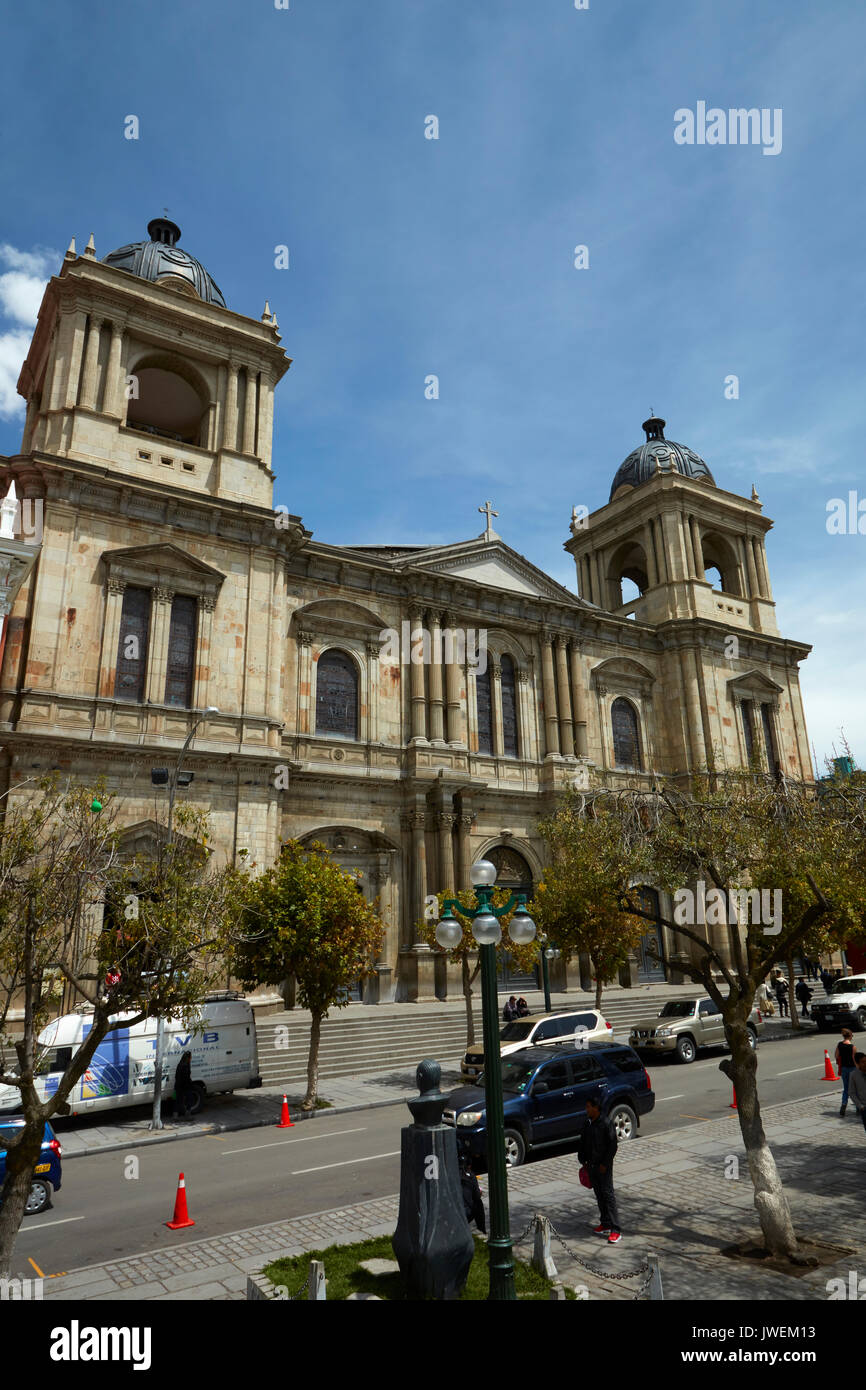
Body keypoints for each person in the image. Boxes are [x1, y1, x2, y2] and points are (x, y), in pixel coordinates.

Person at [577, 1092, 621, 1244]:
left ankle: (616, 1229)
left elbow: (612, 1146)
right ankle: (605, 1222)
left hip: (603, 1166)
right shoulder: (587, 1123)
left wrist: (604, 1164)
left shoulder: (605, 1123)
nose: (587, 1110)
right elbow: (582, 1143)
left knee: (608, 1195)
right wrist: (583, 1160)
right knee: (599, 1195)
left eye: (589, 1107)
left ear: (596, 1108)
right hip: (591, 1165)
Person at [459, 1153, 486, 1234]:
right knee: (479, 1203)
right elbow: (477, 1195)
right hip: (465, 1213)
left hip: (452, 1211)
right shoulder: (470, 1176)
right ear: (469, 1166)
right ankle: (482, 1229)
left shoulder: (451, 1174)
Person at [836, 1029, 857, 1117]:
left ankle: (843, 1105)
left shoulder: (839, 1045)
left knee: (846, 1088)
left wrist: (839, 1062)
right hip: (852, 1069)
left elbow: (836, 1055)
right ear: (850, 1036)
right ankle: (858, 1108)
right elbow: (854, 1059)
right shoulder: (853, 1047)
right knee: (855, 1089)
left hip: (844, 1068)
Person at [849, 1053, 866, 1135]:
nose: (865, 1063)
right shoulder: (854, 1075)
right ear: (858, 1063)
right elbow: (851, 1092)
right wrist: (860, 1106)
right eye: (863, 1062)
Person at [173, 1050, 193, 1118]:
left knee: (178, 1101)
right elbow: (185, 1077)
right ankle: (188, 1115)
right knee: (189, 1099)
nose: (191, 1058)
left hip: (178, 1086)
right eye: (190, 1057)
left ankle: (175, 1116)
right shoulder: (185, 1065)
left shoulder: (180, 1064)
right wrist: (189, 1084)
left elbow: (176, 1076)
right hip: (184, 1086)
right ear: (188, 1058)